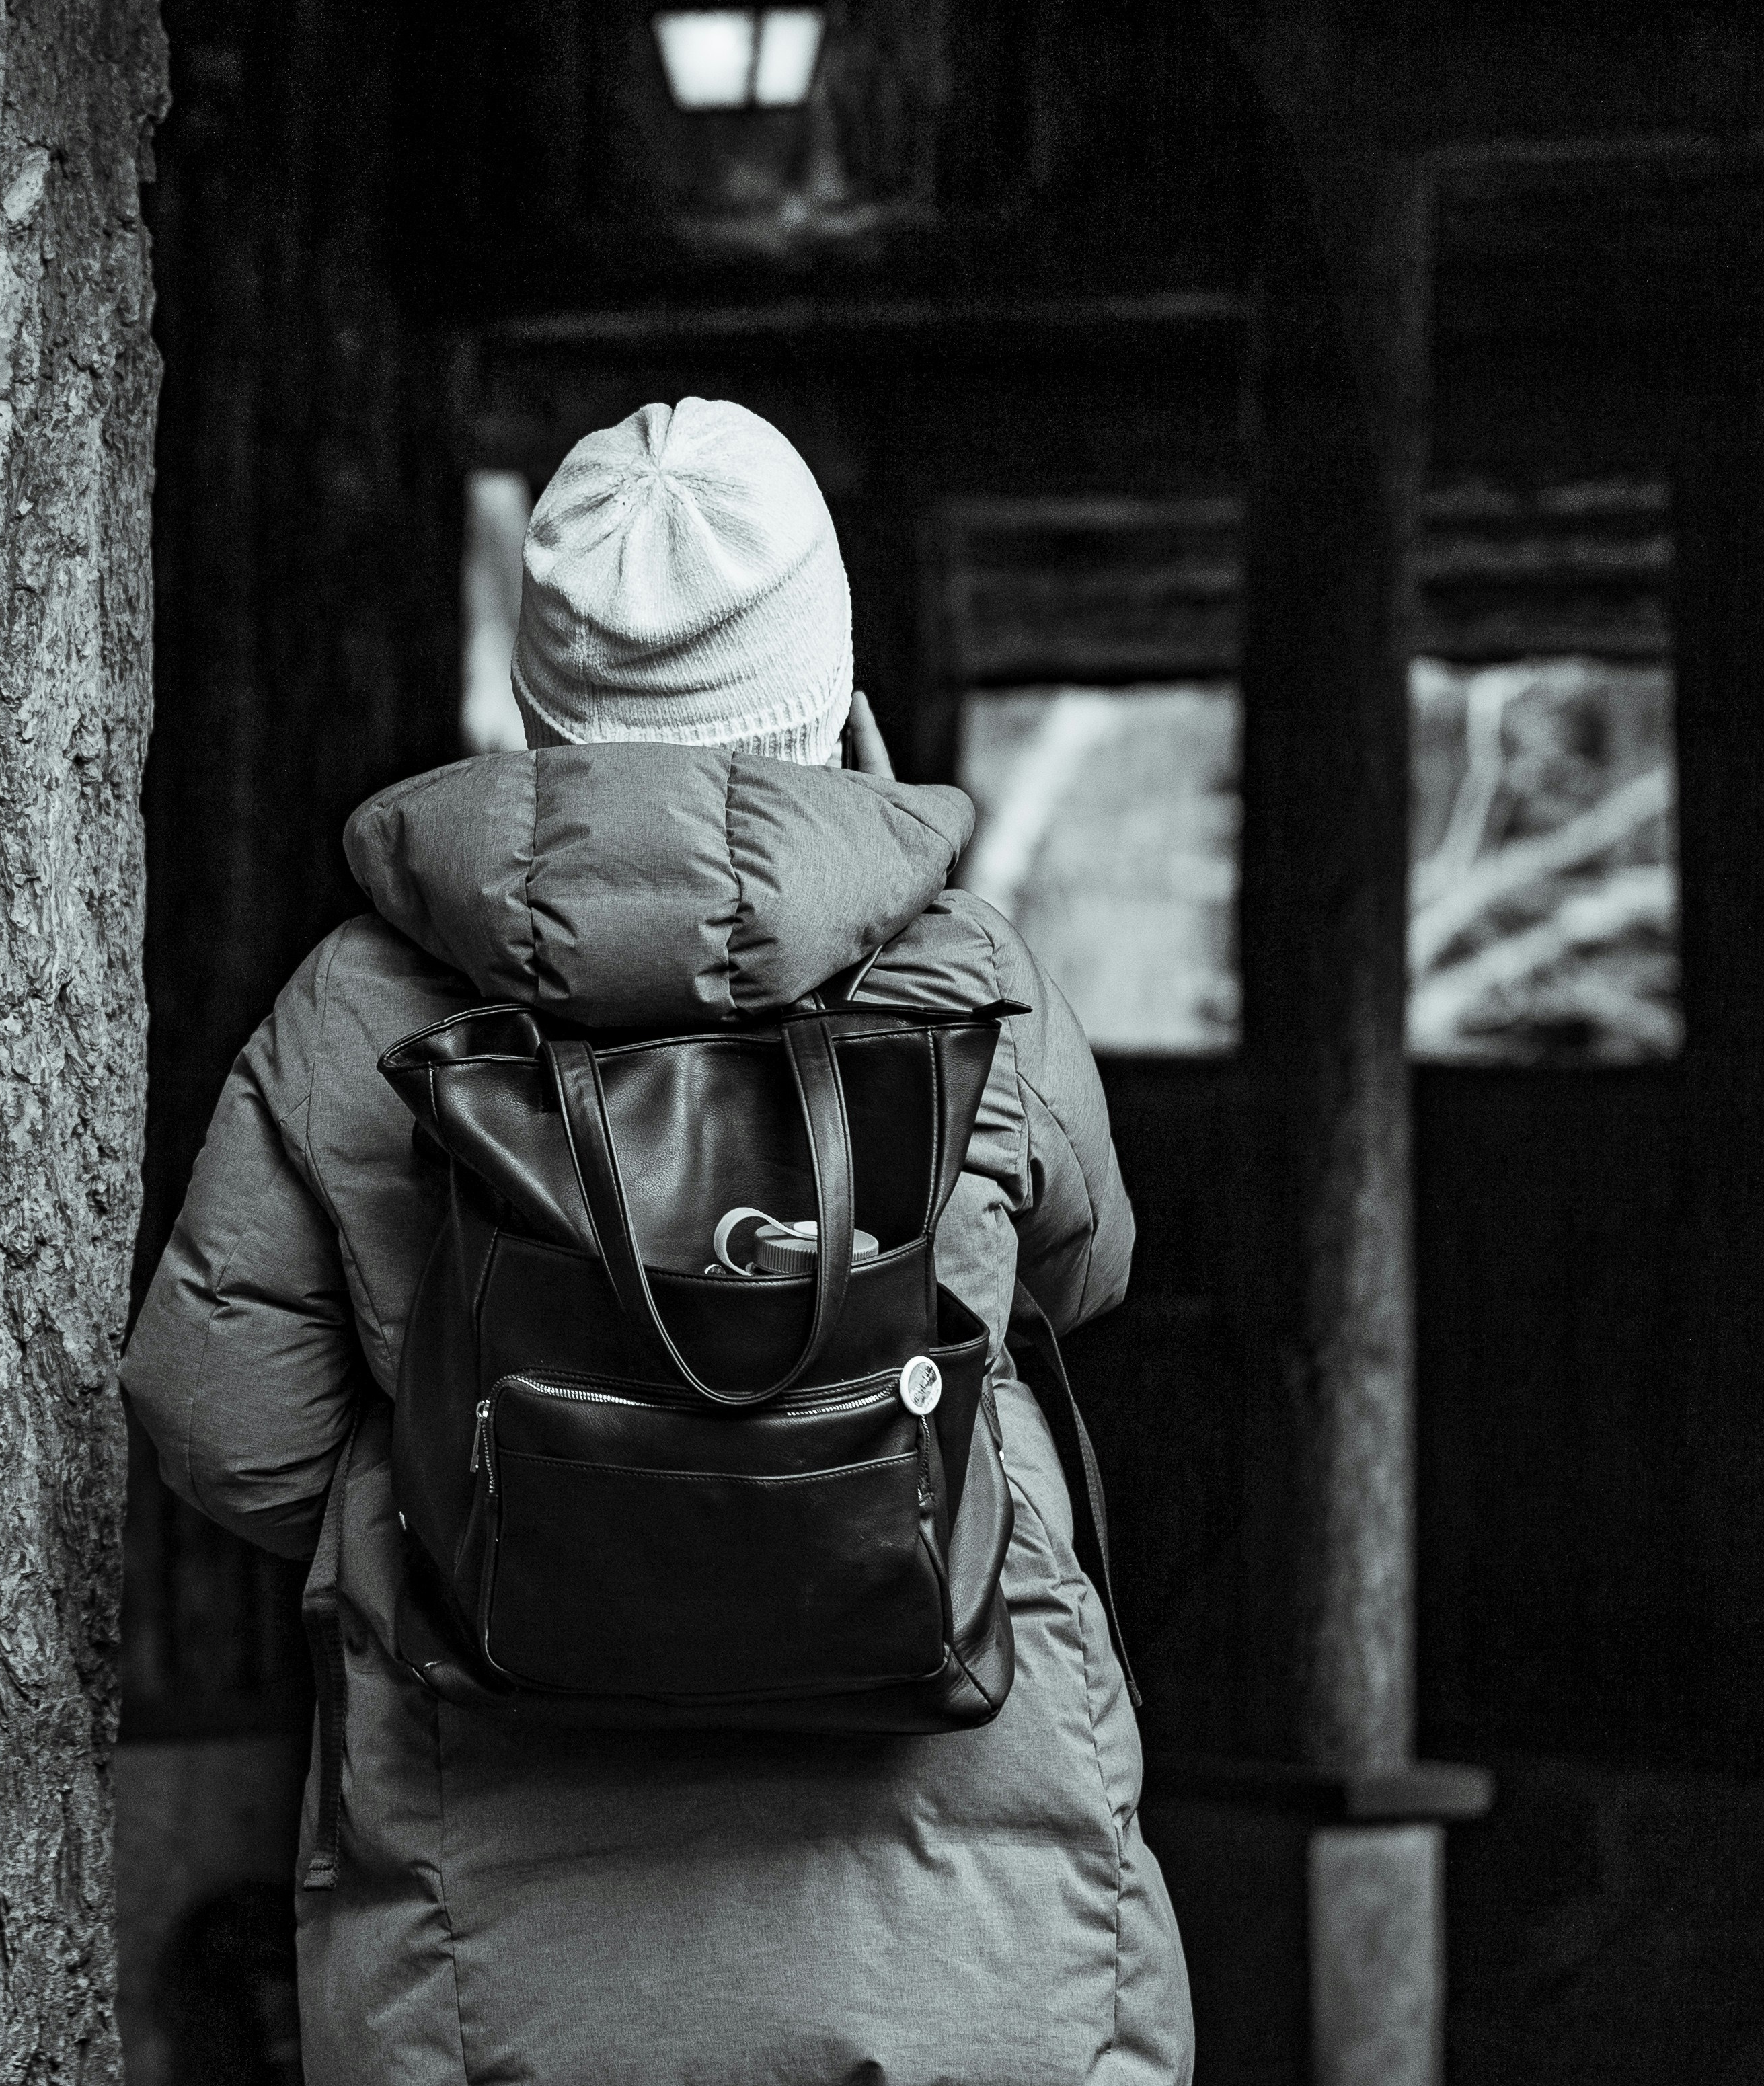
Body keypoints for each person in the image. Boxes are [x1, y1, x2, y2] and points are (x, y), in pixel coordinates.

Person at [121, 397, 1192, 2086]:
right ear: (836, 693)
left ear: (541, 715)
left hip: (492, 1951)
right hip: (976, 1941)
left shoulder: (361, 1003)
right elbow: (1081, 1273)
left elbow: (219, 1411)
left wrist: (503, 1497)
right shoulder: (966, 979)